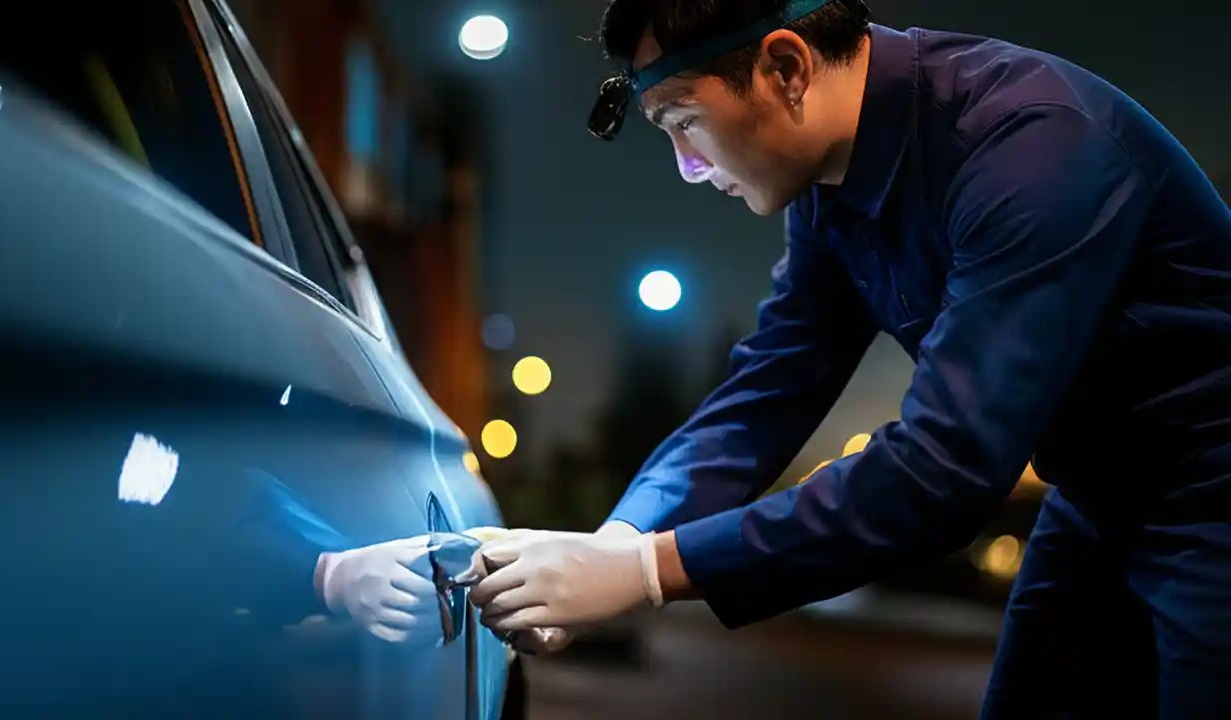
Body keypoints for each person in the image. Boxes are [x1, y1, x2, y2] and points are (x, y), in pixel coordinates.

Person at [467, 0, 1231, 716]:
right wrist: (617, 542)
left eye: (686, 122)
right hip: (1098, 498)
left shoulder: (1032, 146)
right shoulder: (832, 189)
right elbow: (766, 391)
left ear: (788, 67)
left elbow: (943, 468)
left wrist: (647, 575)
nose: (686, 168)